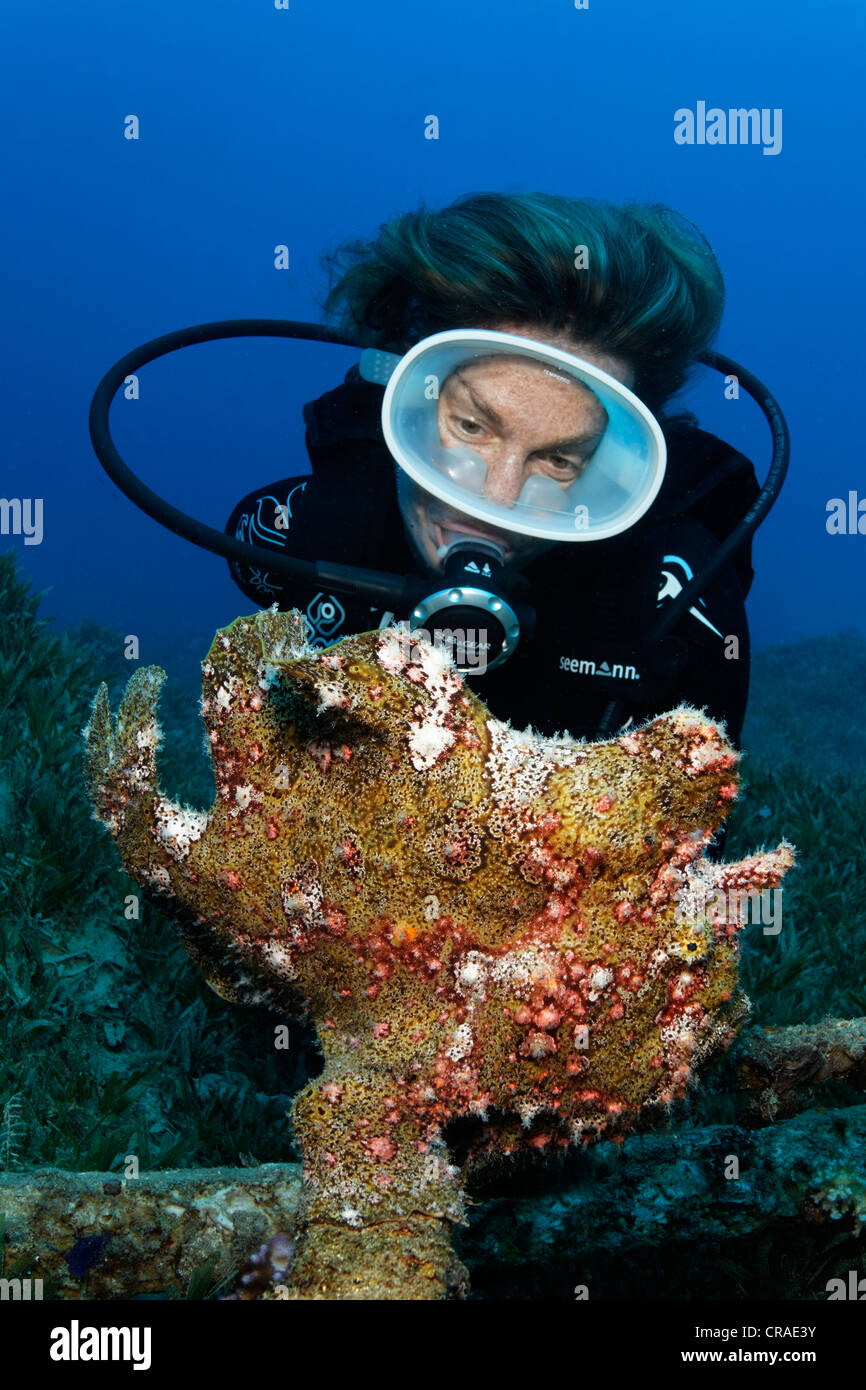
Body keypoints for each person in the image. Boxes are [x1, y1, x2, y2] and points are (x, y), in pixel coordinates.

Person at [226, 192, 761, 751]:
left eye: (558, 458)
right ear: (406, 401)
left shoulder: (676, 611)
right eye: (472, 427)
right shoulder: (291, 542)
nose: (499, 498)